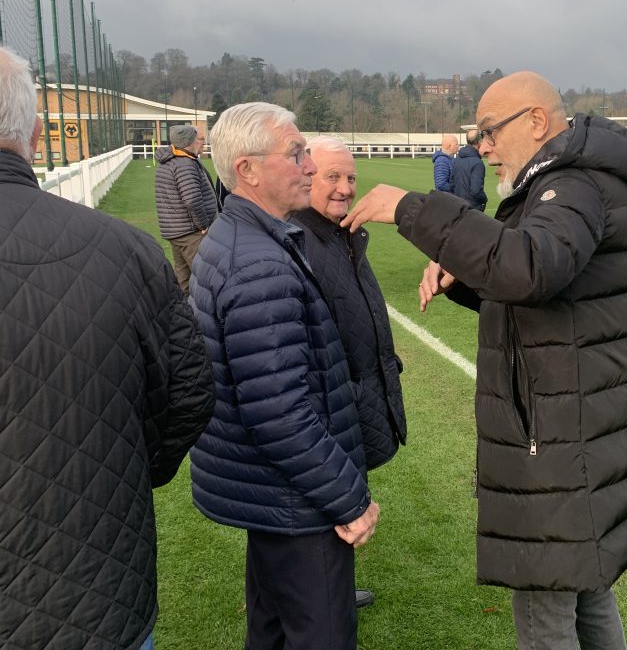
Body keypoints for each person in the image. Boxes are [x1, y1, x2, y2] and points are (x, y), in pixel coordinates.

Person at [341, 71, 627, 650]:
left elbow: (528, 268)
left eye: (489, 130)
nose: (483, 146)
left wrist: (413, 209)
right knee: (586, 587)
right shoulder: (561, 183)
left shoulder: (573, 186)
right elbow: (537, 285)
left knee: (547, 602)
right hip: (572, 427)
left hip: (560, 440)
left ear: (536, 121)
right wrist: (462, 275)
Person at [0, 45, 215, 649]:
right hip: (99, 593)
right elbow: (190, 393)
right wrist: (121, 464)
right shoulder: (124, 249)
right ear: (38, 136)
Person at [189, 103, 379, 650]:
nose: (312, 168)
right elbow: (278, 412)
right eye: (296, 155)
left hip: (274, 495)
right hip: (296, 501)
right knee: (320, 633)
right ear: (247, 170)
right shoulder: (259, 264)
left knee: (271, 628)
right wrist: (349, 499)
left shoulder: (245, 237)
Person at [291, 136, 408, 609]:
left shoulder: (343, 234)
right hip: (329, 410)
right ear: (306, 176)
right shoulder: (299, 243)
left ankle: (331, 590)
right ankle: (321, 602)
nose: (344, 188)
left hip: (353, 402)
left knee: (339, 502)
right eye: (332, 176)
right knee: (323, 506)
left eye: (351, 177)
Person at [155, 123, 220, 296]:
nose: (202, 144)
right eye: (198, 140)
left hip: (175, 232)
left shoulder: (168, 162)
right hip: (191, 233)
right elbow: (192, 199)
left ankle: (188, 313)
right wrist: (203, 225)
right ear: (188, 143)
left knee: (184, 278)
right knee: (204, 276)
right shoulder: (185, 164)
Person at [450, 128, 488, 211]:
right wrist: (484, 199)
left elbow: (452, 185)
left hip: (458, 207)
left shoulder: (457, 160)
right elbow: (476, 191)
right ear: (479, 142)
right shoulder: (477, 163)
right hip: (472, 209)